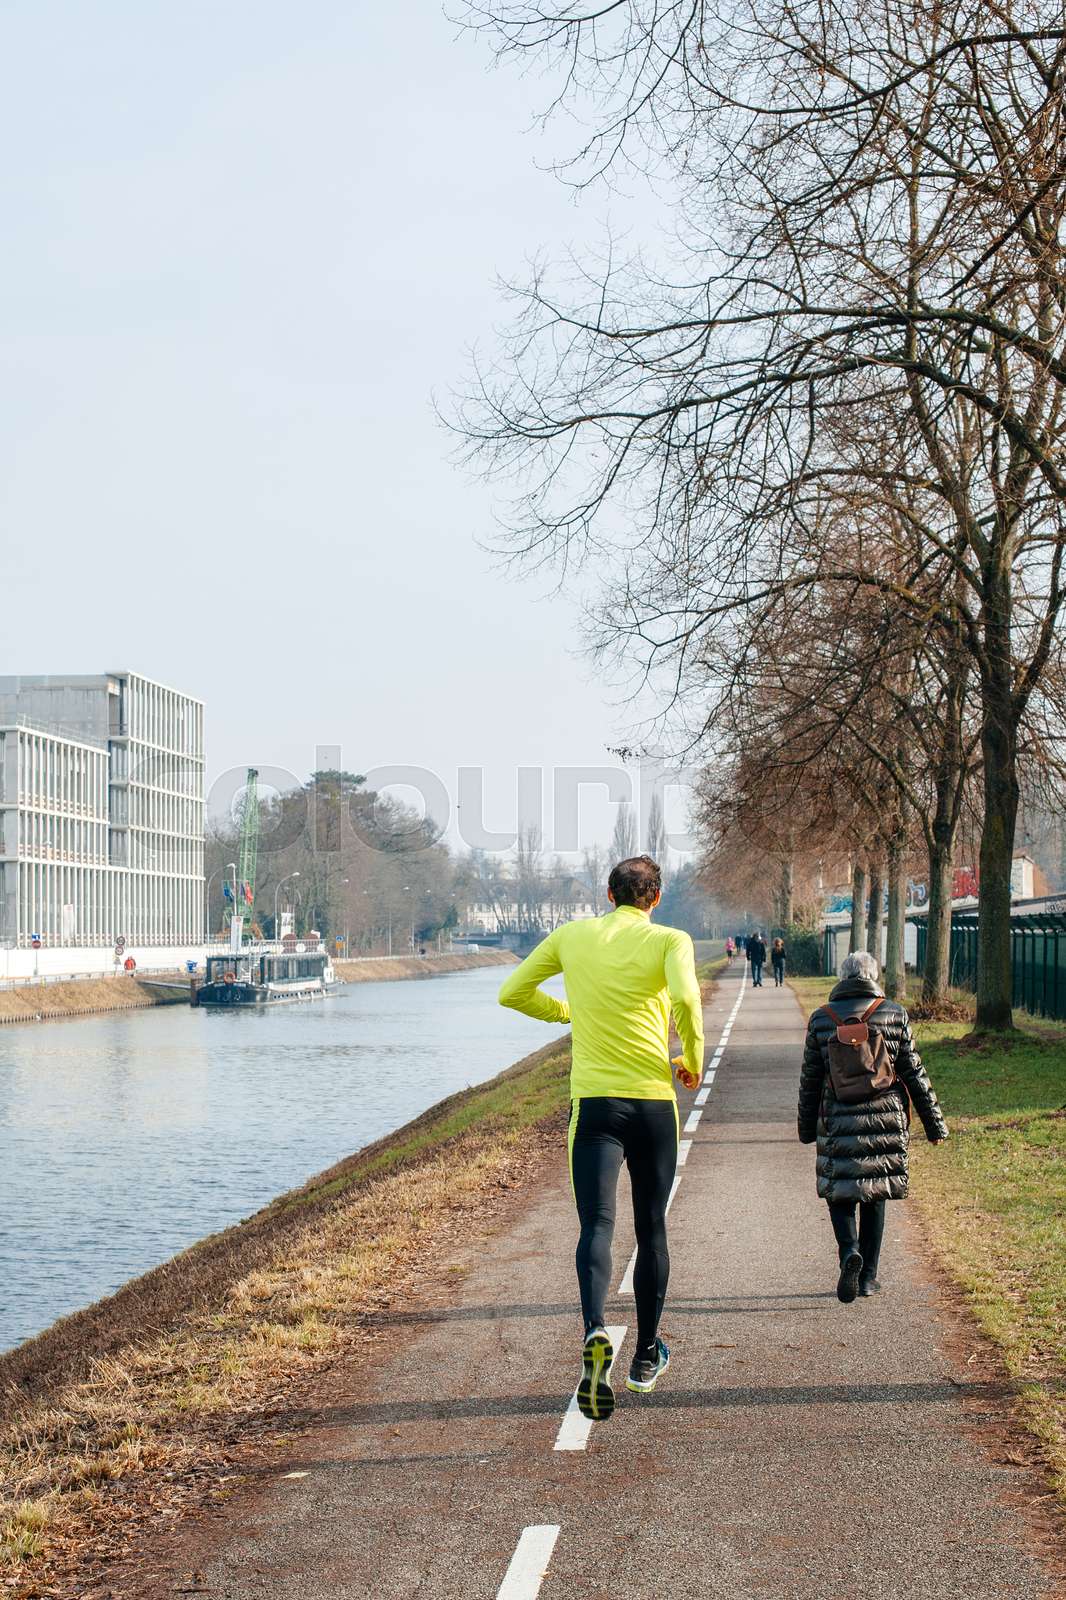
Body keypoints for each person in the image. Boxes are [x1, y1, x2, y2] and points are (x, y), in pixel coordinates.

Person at [498, 854, 704, 1418]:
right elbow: (687, 1000)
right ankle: (646, 1356)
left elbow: (512, 992)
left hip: (594, 1107)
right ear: (655, 898)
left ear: (608, 895)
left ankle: (595, 1331)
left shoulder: (572, 936)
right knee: (651, 1226)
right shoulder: (671, 941)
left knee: (597, 1224)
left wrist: (568, 1012)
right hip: (653, 1104)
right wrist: (691, 1058)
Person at [797, 951, 949, 1301]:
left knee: (839, 1191)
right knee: (875, 1194)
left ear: (843, 976)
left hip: (837, 1120)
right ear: (873, 976)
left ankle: (849, 1251)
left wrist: (805, 1128)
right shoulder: (894, 1014)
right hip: (885, 1119)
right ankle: (867, 1278)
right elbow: (914, 1073)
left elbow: (810, 1081)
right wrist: (934, 1126)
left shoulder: (821, 1019)